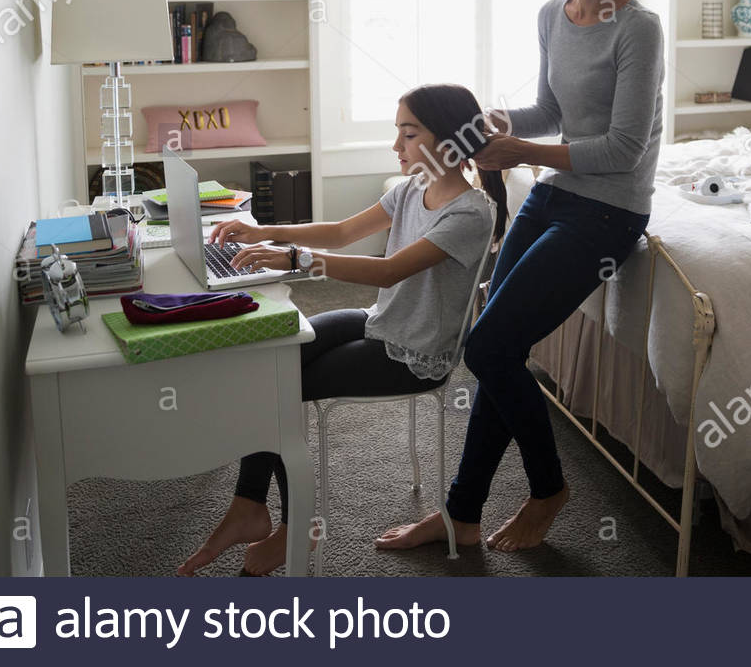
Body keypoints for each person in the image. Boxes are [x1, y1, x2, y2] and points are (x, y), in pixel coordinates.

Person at [376, 0, 667, 553]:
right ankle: (462, 515)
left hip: (608, 212)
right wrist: (493, 125)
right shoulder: (550, 15)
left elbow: (624, 147)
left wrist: (522, 149)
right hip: (557, 196)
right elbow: (553, 112)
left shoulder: (639, 31)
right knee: (495, 342)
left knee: (486, 347)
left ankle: (547, 490)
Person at [176, 83, 505, 576]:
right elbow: (342, 233)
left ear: (449, 142)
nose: (396, 146)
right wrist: (267, 230)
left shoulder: (469, 213)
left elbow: (388, 270)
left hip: (413, 356)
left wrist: (296, 260)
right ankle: (251, 508)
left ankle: (291, 526)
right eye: (397, 133)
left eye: (409, 134)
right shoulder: (411, 188)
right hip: (380, 324)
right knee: (274, 358)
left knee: (278, 389)